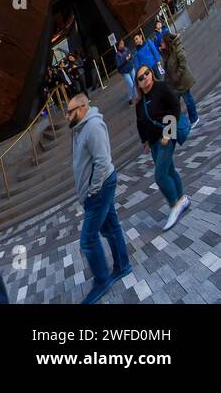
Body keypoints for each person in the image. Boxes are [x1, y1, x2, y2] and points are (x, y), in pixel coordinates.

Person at [66, 92, 131, 304]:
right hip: (97, 189)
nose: (66, 116)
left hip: (101, 188)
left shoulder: (92, 127)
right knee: (110, 227)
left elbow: (103, 161)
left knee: (88, 239)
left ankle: (102, 281)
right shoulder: (78, 129)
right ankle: (123, 266)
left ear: (82, 108)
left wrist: (92, 190)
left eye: (70, 112)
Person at [135, 65, 191, 230]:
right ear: (138, 84)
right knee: (169, 171)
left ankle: (175, 205)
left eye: (147, 73)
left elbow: (175, 107)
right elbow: (140, 122)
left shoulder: (162, 87)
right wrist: (144, 141)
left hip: (166, 138)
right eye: (141, 77)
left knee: (160, 176)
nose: (145, 77)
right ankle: (183, 199)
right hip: (153, 143)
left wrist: (168, 133)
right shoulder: (140, 103)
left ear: (152, 73)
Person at [161, 31, 199, 127]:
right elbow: (167, 69)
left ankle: (194, 119)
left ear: (167, 42)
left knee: (188, 100)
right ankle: (178, 125)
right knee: (174, 104)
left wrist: (176, 76)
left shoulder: (177, 48)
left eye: (162, 42)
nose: (160, 44)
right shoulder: (166, 53)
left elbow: (183, 63)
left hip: (182, 81)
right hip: (173, 84)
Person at [114, 39, 138, 106]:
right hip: (125, 72)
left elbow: (131, 56)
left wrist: (130, 58)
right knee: (131, 85)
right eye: (121, 44)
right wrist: (125, 60)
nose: (122, 45)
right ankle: (130, 98)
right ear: (118, 46)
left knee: (135, 82)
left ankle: (137, 97)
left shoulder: (126, 49)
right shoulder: (117, 55)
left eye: (123, 43)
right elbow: (119, 65)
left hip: (131, 68)